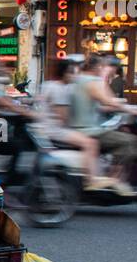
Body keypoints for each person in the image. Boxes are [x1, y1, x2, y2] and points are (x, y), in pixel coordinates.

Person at [70, 53, 137, 194]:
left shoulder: (79, 79)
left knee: (121, 136)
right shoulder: (90, 82)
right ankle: (113, 180)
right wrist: (131, 109)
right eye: (103, 66)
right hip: (89, 130)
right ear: (97, 66)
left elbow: (101, 103)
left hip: (81, 127)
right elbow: (107, 100)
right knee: (131, 141)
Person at [35, 58, 108, 190]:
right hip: (56, 131)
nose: (74, 76)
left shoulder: (48, 84)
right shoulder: (60, 89)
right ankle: (91, 180)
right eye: (71, 73)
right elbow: (63, 116)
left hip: (45, 129)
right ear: (64, 73)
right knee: (91, 143)